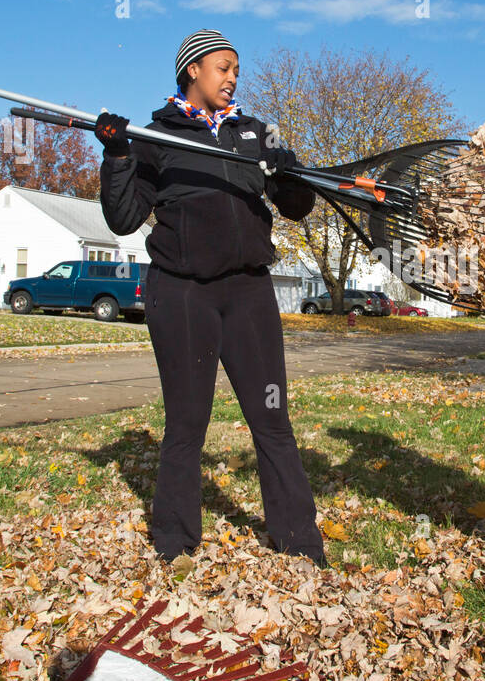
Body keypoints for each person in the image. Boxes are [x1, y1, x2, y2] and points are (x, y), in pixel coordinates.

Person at [94, 28, 326, 567]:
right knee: (186, 423)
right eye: (223, 67)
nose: (232, 78)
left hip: (247, 291)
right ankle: (174, 541)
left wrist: (292, 175)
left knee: (272, 419)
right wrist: (118, 155)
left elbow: (295, 205)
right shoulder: (155, 137)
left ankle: (299, 541)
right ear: (193, 70)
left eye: (236, 70)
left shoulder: (255, 135)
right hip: (182, 292)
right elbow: (123, 218)